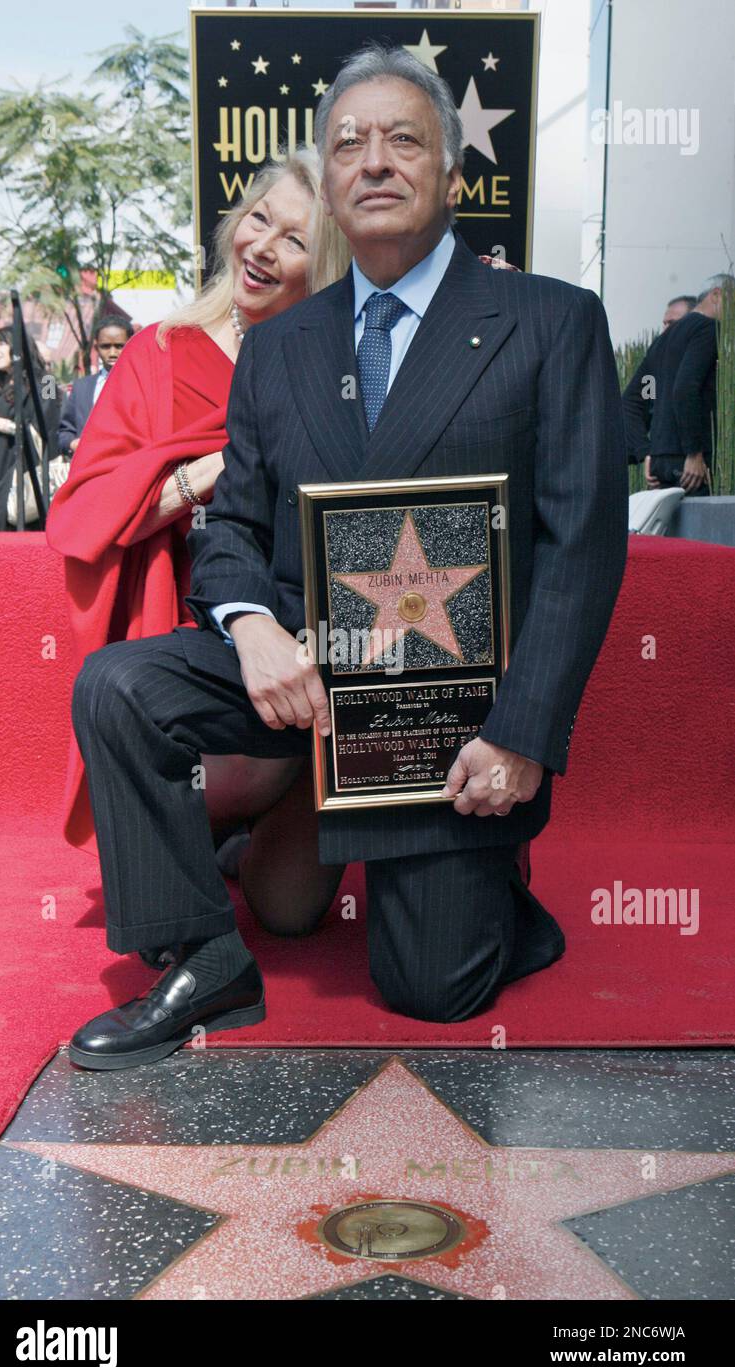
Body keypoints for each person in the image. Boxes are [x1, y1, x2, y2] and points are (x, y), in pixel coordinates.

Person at [67, 42, 627, 1070]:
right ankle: (201, 957)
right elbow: (230, 526)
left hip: (451, 717)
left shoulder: (552, 323)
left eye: (402, 139)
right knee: (119, 686)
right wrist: (252, 627)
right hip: (307, 677)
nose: (372, 161)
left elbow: (582, 544)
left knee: (434, 992)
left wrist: (523, 735)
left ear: (453, 175)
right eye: (347, 145)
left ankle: (495, 887)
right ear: (327, 180)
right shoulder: (281, 345)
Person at [46, 149, 354, 950]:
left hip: (297, 632)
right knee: (167, 905)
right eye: (258, 219)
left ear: (321, 265)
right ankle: (203, 836)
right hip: (178, 624)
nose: (262, 246)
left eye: (293, 239)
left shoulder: (339, 369)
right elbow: (84, 512)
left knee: (289, 916)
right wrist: (205, 476)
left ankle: (286, 804)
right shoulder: (155, 350)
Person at [623, 275, 730, 494]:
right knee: (697, 528)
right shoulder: (708, 330)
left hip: (662, 464)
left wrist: (647, 452)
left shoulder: (661, 343)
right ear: (717, 295)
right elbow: (685, 387)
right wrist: (694, 452)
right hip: (690, 464)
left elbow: (636, 400)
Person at [0, 327, 59, 531]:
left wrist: (6, 426)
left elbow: (50, 427)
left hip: (23, 476)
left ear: (19, 349)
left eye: (1, 343)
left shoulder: (48, 381)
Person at [57, 315, 134, 457]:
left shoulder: (142, 385)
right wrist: (72, 443)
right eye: (105, 346)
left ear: (131, 344)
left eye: (119, 346)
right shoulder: (80, 388)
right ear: (96, 347)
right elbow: (64, 431)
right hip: (88, 467)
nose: (112, 353)